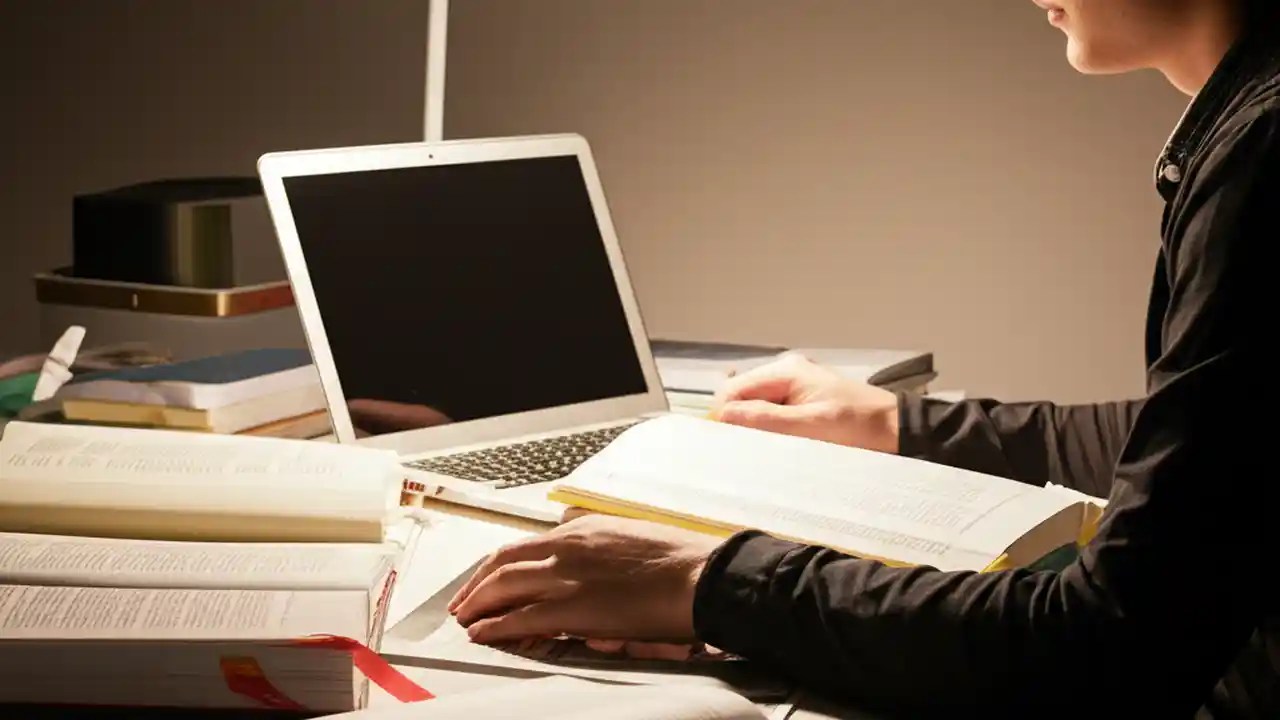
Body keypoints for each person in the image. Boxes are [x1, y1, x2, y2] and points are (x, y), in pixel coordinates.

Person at [447, 1, 1280, 716]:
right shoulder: (1250, 116)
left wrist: (705, 583)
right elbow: (1218, 444)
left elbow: (1113, 644)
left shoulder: (1265, 153)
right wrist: (902, 423)